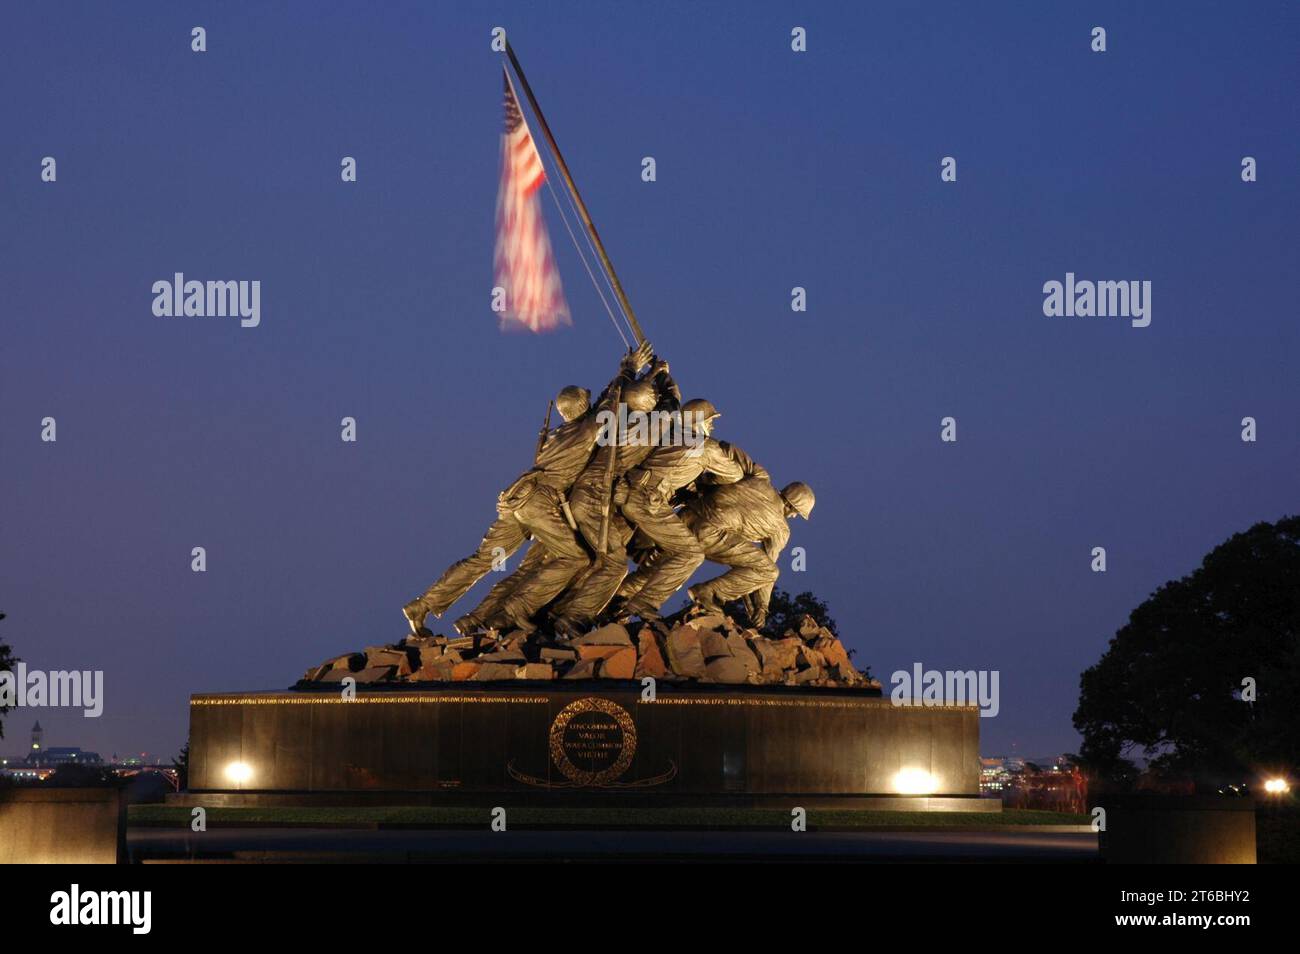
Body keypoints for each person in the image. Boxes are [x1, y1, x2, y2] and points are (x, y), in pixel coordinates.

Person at [402, 342, 652, 634]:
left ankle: (422, 604)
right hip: (540, 501)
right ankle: (517, 609)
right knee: (575, 558)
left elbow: (601, 404)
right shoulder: (586, 430)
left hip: (517, 497)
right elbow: (612, 404)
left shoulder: (561, 432)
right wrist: (629, 368)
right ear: (584, 407)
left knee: (483, 559)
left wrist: (622, 372)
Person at [616, 399, 764, 619]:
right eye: (710, 421)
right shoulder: (704, 446)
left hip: (629, 494)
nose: (712, 426)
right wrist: (704, 480)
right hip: (649, 502)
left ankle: (616, 602)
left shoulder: (668, 435)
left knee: (650, 561)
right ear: (697, 421)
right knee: (691, 554)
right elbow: (733, 475)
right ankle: (642, 603)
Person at [683, 479, 815, 627]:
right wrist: (762, 608)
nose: (794, 516)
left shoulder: (759, 482)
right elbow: (766, 568)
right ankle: (706, 591)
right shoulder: (781, 529)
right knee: (769, 571)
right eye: (796, 513)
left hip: (686, 516)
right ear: (791, 505)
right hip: (708, 534)